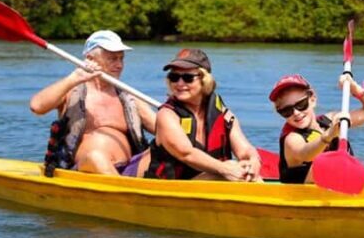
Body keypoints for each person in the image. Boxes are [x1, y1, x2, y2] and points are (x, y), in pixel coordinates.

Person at [30, 30, 156, 176]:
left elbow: (164, 131)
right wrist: (73, 78)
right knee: (97, 158)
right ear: (90, 58)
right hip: (86, 168)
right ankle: (124, 193)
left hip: (127, 169)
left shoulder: (131, 98)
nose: (119, 65)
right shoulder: (71, 91)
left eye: (121, 59)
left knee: (168, 151)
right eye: (112, 59)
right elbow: (37, 106)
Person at [140, 48, 262, 181]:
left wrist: (253, 160)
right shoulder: (167, 115)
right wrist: (226, 169)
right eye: (174, 77)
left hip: (207, 185)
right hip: (173, 189)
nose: (180, 84)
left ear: (205, 80)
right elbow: (186, 153)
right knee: (230, 167)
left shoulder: (223, 114)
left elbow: (244, 150)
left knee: (248, 172)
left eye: (188, 78)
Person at [269, 73, 364, 185]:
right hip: (308, 197)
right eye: (286, 111)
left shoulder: (330, 120)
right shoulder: (292, 138)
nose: (296, 113)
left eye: (301, 104)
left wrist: (355, 89)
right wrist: (328, 135)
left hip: (345, 189)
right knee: (324, 167)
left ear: (313, 99)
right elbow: (306, 154)